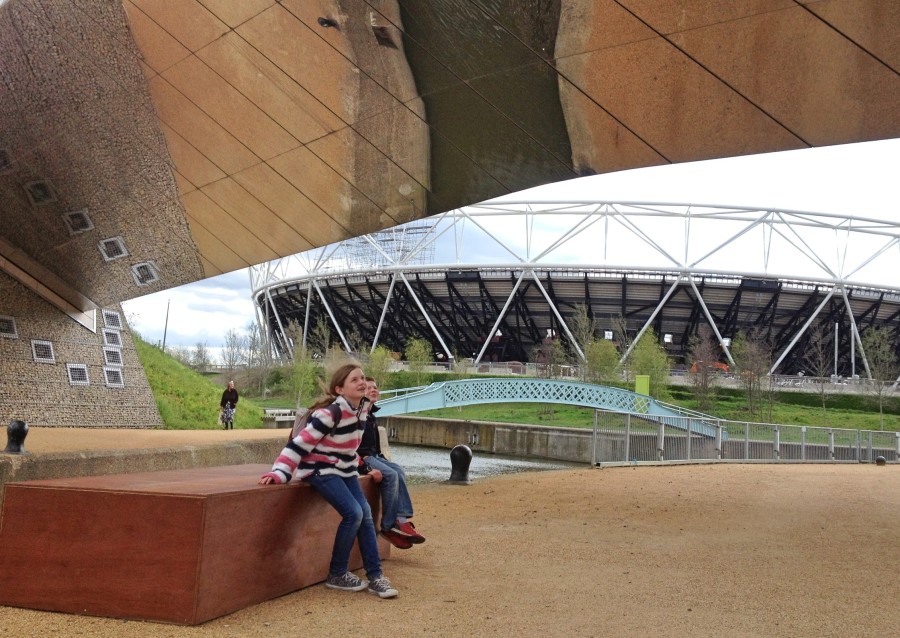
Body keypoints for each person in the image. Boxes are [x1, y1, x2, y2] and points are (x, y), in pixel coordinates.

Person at [258, 363, 399, 599]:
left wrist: (362, 466)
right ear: (339, 389)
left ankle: (376, 577)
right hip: (320, 469)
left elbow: (347, 448)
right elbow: (299, 444)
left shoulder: (361, 410)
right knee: (354, 513)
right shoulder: (330, 414)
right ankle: (337, 573)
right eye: (354, 380)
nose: (362, 382)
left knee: (365, 513)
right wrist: (280, 472)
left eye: (363, 377)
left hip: (344, 470)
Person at [359, 377, 425, 549]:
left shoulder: (371, 416)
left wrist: (384, 460)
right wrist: (364, 465)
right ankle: (388, 526)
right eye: (368, 388)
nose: (373, 390)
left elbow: (376, 447)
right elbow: (354, 445)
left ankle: (401, 518)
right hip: (364, 458)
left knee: (399, 471)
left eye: (375, 387)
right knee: (391, 475)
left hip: (375, 456)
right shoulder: (359, 415)